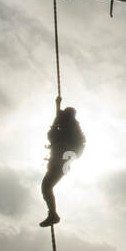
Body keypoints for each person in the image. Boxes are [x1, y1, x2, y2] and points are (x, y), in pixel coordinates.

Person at [39, 96, 85, 228]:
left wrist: (66, 157)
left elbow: (53, 132)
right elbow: (57, 123)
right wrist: (57, 105)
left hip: (60, 164)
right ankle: (52, 214)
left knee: (46, 187)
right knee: (46, 187)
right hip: (59, 163)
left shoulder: (70, 130)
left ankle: (53, 215)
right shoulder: (69, 128)